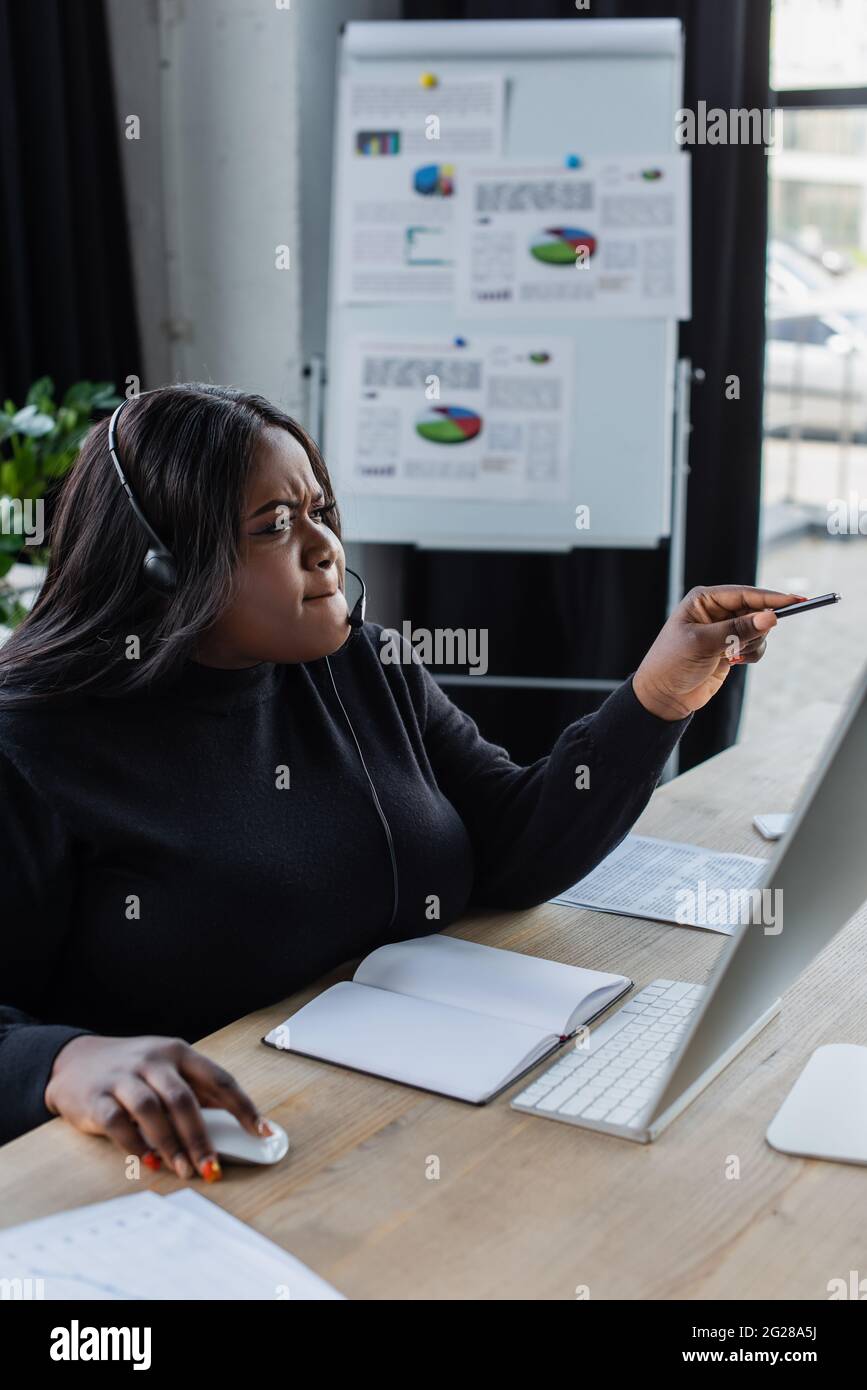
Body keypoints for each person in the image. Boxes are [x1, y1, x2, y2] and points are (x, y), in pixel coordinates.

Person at [0, 382, 801, 1177]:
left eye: (319, 510)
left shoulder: (362, 666)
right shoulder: (32, 741)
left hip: (408, 1113)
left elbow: (513, 846)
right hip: (196, 1159)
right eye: (275, 526)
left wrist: (654, 700)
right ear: (164, 565)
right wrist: (62, 1062)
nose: (323, 547)